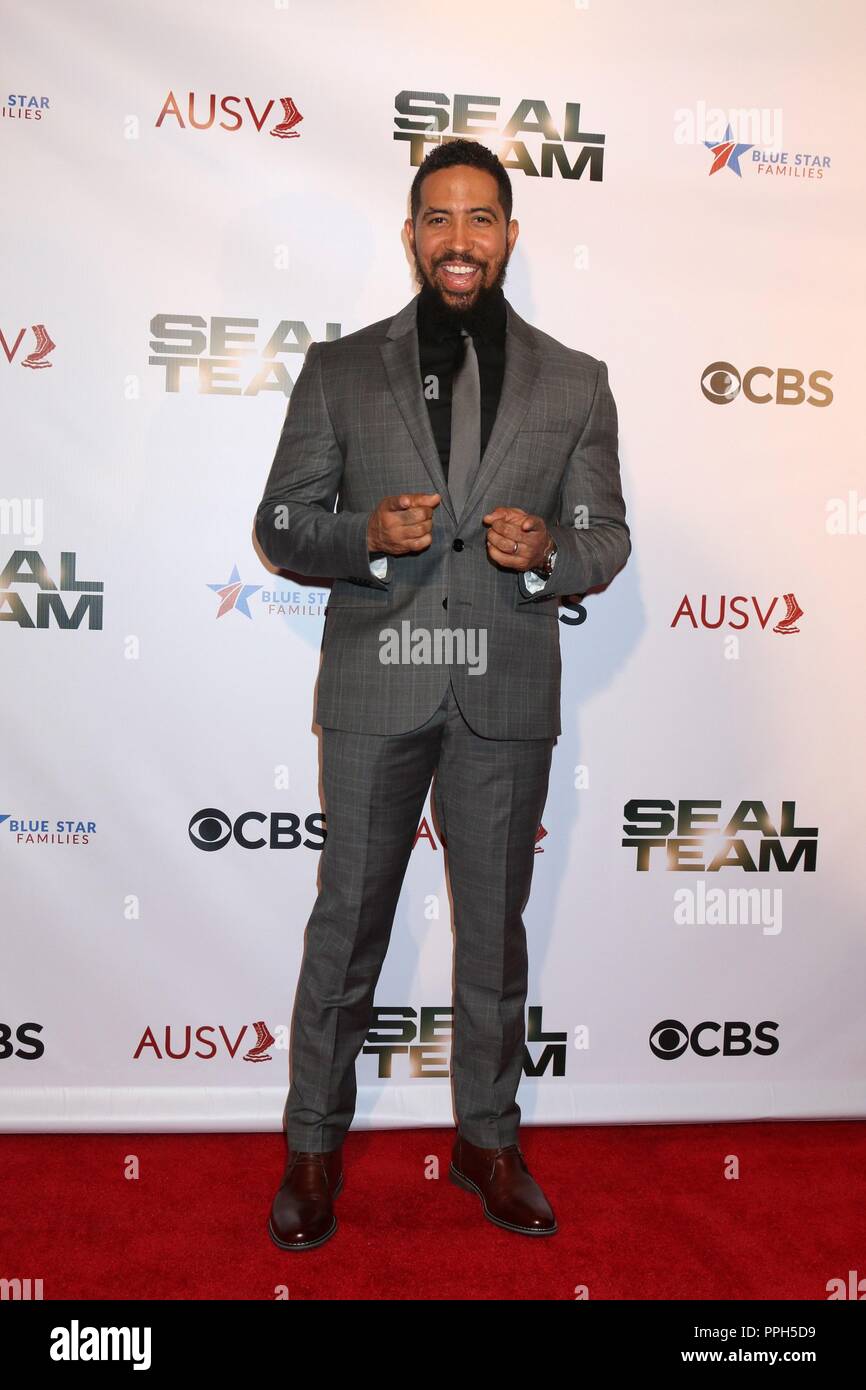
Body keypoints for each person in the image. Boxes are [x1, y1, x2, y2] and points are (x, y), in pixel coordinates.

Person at [254, 137, 631, 1250]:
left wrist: (548, 551)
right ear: (412, 233)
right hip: (377, 684)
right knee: (346, 926)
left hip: (503, 691)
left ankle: (485, 1140)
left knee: (493, 940)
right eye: (437, 218)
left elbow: (605, 540)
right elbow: (277, 526)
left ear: (509, 235)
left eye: (479, 219)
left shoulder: (576, 380)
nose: (457, 239)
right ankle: (313, 1150)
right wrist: (364, 534)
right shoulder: (339, 369)